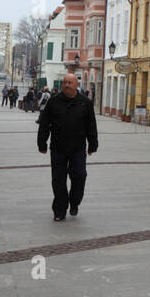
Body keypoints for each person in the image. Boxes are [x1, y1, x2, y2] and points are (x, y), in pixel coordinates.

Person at [37, 72, 98, 221]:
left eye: (70, 82)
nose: (67, 85)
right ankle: (59, 210)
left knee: (79, 176)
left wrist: (92, 145)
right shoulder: (53, 102)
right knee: (58, 180)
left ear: (76, 85)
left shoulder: (85, 103)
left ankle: (74, 202)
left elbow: (91, 126)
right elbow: (44, 123)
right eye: (65, 82)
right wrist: (42, 143)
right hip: (58, 148)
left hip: (78, 148)